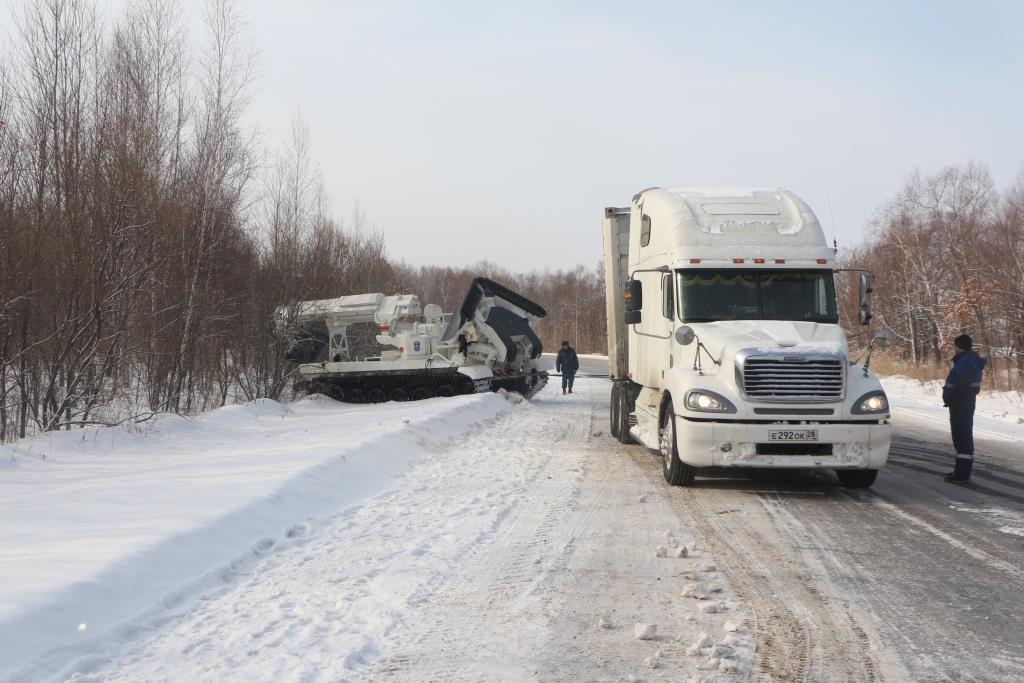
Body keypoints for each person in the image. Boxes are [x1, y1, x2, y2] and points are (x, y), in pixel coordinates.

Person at [941, 334, 987, 484]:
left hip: (961, 404)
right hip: (962, 403)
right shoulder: (968, 361)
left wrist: (950, 397)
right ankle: (960, 472)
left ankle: (962, 475)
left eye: (955, 346)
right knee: (961, 437)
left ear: (959, 347)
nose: (954, 349)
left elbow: (963, 385)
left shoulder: (966, 362)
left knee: (962, 437)